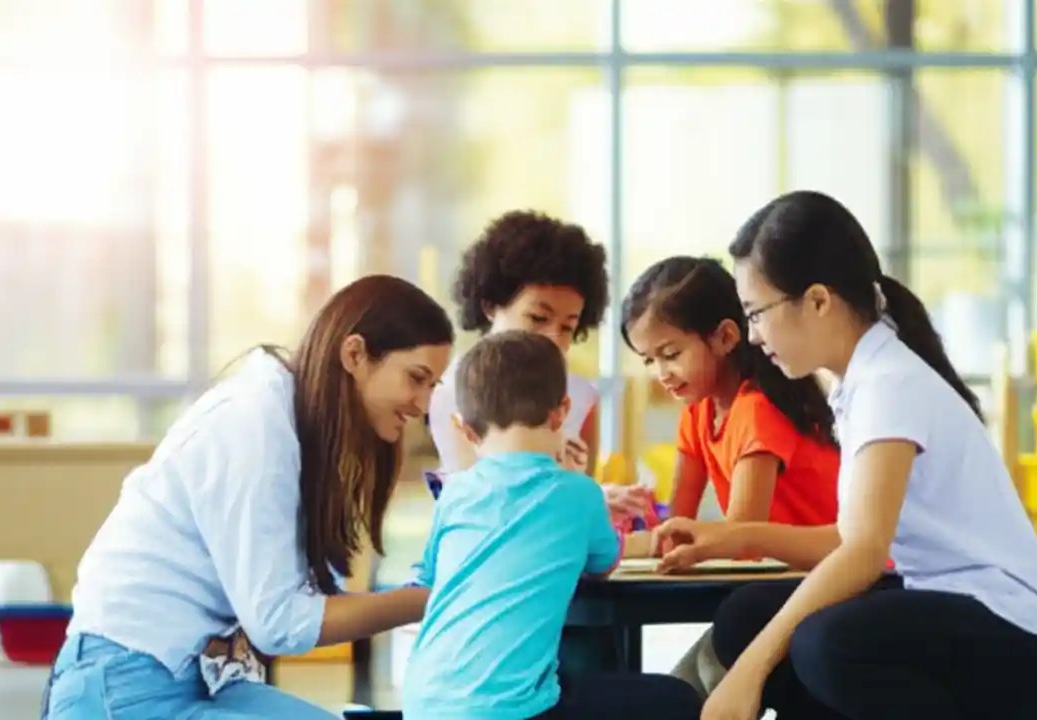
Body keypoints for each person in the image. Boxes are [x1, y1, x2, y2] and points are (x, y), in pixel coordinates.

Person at [653, 190, 1037, 720]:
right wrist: (730, 536)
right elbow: (850, 538)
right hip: (949, 606)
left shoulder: (889, 382)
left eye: (757, 313)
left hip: (1016, 637)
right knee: (748, 617)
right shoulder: (862, 381)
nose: (754, 337)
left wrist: (747, 674)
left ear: (819, 300)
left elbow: (863, 553)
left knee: (825, 644)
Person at [41, 275, 454, 719]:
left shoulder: (290, 425)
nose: (424, 404)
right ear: (354, 354)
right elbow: (279, 623)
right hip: (123, 685)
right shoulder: (254, 425)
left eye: (433, 386)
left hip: (201, 679)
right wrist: (430, 598)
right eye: (417, 379)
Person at [403, 330, 702, 720]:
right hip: (514, 711)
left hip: (423, 702)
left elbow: (427, 575)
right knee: (676, 699)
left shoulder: (455, 494)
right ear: (562, 411)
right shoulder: (578, 494)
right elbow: (604, 561)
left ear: (466, 429)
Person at [621, 255, 840, 697]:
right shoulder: (698, 412)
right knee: (678, 691)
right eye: (649, 361)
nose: (662, 374)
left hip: (822, 578)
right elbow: (677, 526)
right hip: (777, 582)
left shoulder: (757, 410)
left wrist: (619, 547)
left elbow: (739, 537)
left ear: (724, 337)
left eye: (671, 354)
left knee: (691, 686)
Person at [427, 209, 648, 517]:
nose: (552, 338)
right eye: (538, 318)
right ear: (491, 305)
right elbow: (481, 506)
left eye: (568, 326)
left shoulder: (581, 399)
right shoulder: (455, 392)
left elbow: (577, 514)